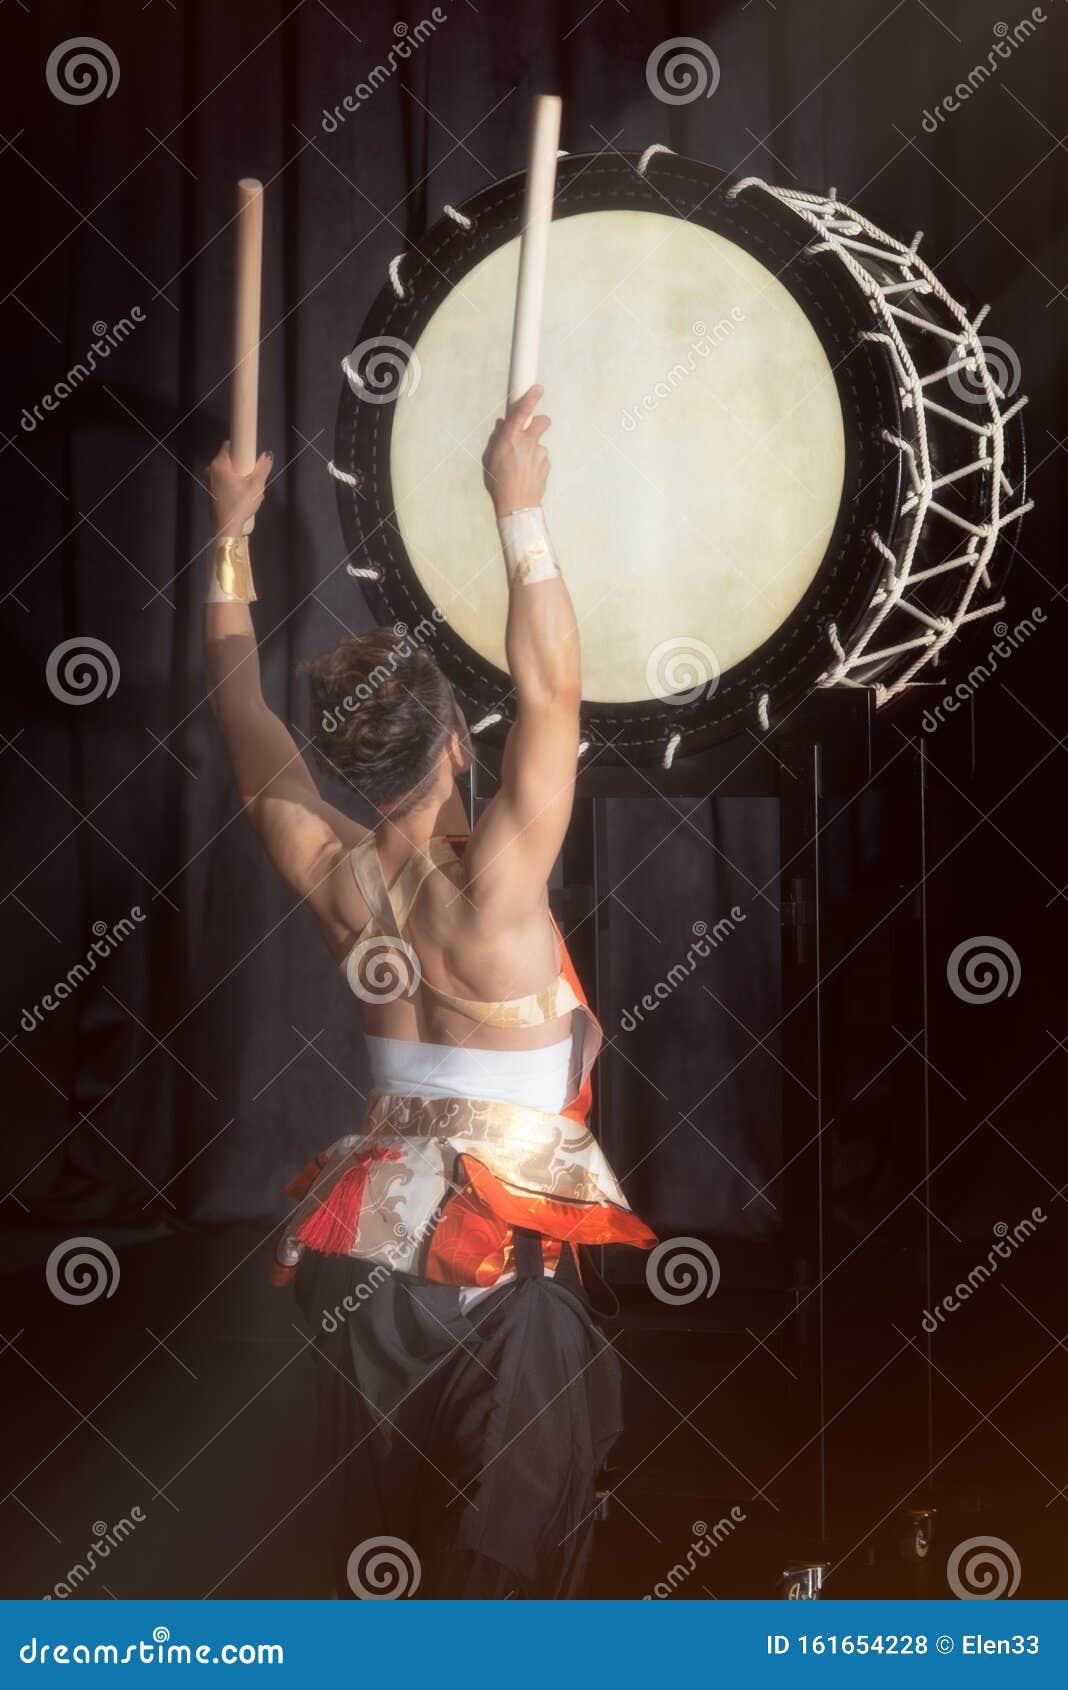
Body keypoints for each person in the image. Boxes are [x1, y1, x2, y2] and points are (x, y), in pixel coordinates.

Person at [203, 386, 654, 1599]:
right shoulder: (497, 892)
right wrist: (520, 511)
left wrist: (231, 534)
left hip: (363, 1274)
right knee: (503, 1573)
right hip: (501, 1282)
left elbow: (241, 710)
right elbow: (554, 695)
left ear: (351, 766)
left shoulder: (332, 873)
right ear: (458, 741)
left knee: (384, 1549)